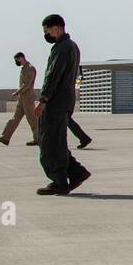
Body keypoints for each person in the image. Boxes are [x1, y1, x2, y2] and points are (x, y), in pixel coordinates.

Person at [33, 15, 90, 195]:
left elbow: (53, 76)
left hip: (55, 102)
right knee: (57, 142)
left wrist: (43, 100)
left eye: (47, 31)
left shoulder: (62, 48)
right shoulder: (72, 46)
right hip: (65, 100)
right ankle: (76, 172)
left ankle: (59, 181)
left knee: (48, 143)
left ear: (55, 28)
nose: (46, 35)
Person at [0, 52, 39, 145]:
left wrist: (18, 91)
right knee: (15, 118)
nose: (17, 62)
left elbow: (28, 84)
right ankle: (5, 137)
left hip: (27, 97)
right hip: (22, 98)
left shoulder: (30, 68)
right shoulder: (24, 69)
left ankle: (38, 138)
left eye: (17, 59)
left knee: (32, 119)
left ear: (21, 58)